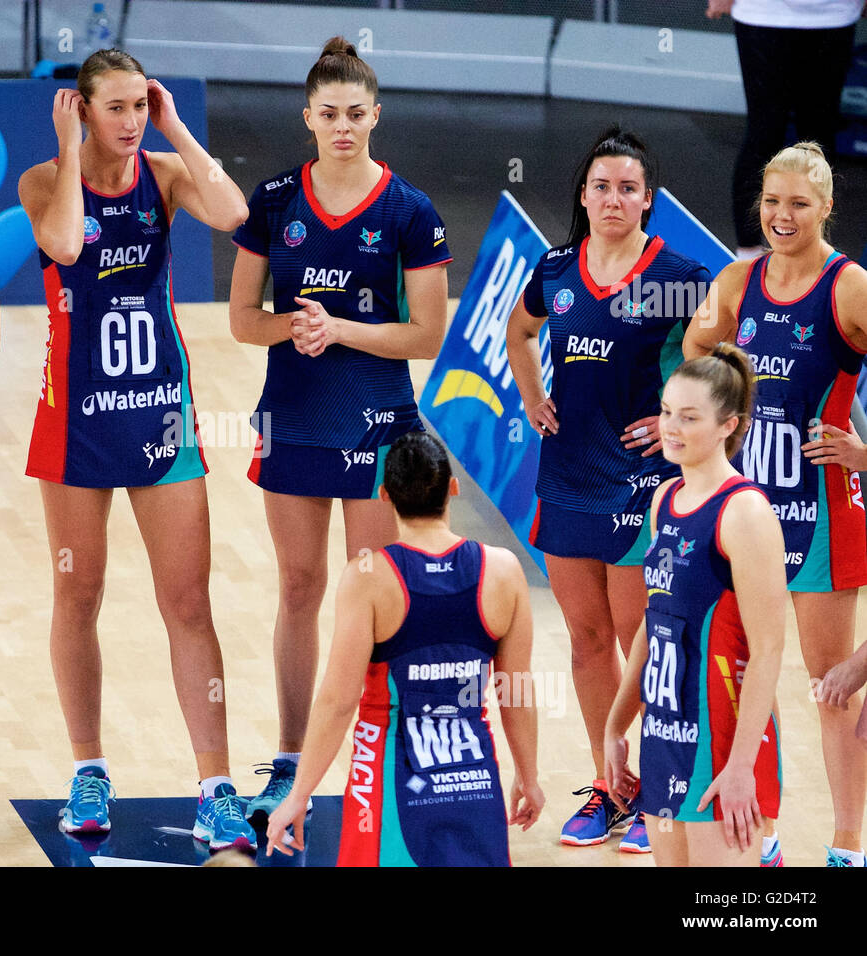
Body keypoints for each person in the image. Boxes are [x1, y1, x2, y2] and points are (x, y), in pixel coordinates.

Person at [18, 49, 256, 850]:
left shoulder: (163, 171)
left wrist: (177, 126)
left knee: (189, 603)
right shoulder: (42, 181)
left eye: (137, 107)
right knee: (76, 598)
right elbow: (65, 248)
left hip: (160, 415)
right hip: (75, 419)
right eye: (113, 108)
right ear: (81, 109)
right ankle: (88, 769)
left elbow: (232, 214)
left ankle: (216, 786)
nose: (129, 123)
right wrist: (65, 157)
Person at [228, 36, 450, 824]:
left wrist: (343, 330)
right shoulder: (275, 199)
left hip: (379, 425)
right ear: (308, 118)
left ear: (376, 116)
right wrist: (295, 324)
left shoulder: (409, 211)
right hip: (293, 421)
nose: (344, 127)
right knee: (298, 588)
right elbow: (242, 322)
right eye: (330, 115)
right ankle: (290, 763)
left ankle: (375, 759)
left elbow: (427, 335)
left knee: (373, 590)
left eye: (357, 114)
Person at [505, 127, 712, 852]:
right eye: (602, 186)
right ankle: (609, 784)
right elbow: (518, 331)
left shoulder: (679, 275)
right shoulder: (557, 269)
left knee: (641, 640)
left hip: (642, 489)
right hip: (566, 477)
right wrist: (532, 397)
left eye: (628, 187)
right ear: (584, 196)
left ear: (648, 200)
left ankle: (660, 788)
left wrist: (678, 421)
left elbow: (725, 367)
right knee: (589, 642)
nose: (614, 198)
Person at [684, 141, 867, 866]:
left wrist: (863, 451)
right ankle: (759, 837)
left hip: (822, 515)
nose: (782, 216)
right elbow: (696, 363)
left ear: (826, 207)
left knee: (830, 691)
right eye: (771, 202)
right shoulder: (736, 281)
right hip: (748, 515)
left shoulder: (850, 288)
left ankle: (848, 846)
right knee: (741, 672)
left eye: (798, 203)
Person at [265, 431, 543, 866]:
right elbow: (517, 692)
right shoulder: (503, 570)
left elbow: (338, 701)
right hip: (473, 779)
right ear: (453, 487)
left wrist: (298, 795)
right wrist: (529, 777)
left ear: (384, 495)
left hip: (392, 784)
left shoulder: (369, 577)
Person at [604, 345, 784, 865]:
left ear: (729, 424)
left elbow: (770, 648)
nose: (670, 427)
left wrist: (741, 765)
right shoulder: (665, 499)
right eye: (665, 412)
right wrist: (617, 727)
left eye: (688, 417)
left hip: (723, 739)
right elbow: (651, 624)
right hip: (665, 733)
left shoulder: (745, 511)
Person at [705, 0, 864, 259]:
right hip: (765, 12)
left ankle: (809, 253)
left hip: (833, 12)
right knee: (764, 134)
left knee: (818, 140)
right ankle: (747, 257)